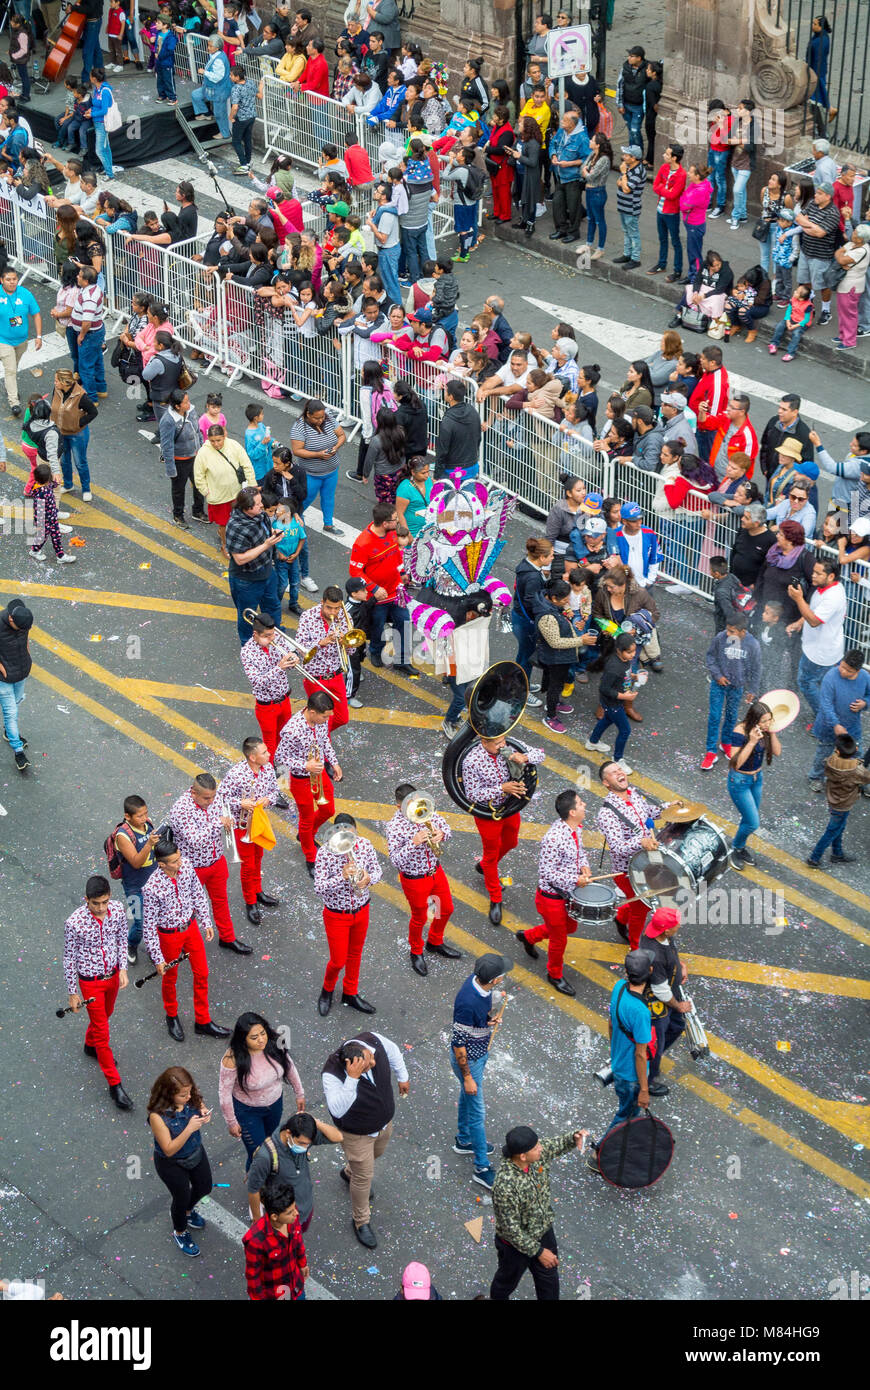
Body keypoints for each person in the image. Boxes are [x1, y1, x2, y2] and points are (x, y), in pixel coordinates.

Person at [322, 1029, 409, 1249]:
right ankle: (361, 1221)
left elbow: (394, 1052)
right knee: (364, 1177)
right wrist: (352, 1079)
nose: (371, 1065)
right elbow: (337, 1110)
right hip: (356, 1134)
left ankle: (349, 1171)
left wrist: (403, 1077)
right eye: (364, 1067)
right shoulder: (332, 1074)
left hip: (383, 1124)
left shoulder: (372, 1043)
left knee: (376, 1153)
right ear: (349, 1064)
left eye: (370, 1061)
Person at [141, 841, 229, 1044]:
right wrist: (157, 958)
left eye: (179, 857)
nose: (180, 863)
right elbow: (149, 925)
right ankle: (171, 1015)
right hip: (169, 935)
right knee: (170, 977)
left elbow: (198, 893)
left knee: (202, 973)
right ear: (161, 865)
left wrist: (206, 920)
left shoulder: (187, 866)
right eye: (174, 861)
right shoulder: (152, 888)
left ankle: (203, 1020)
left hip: (190, 928)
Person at [490, 1124, 589, 1301]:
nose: (541, 1148)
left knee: (549, 1279)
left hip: (543, 1230)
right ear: (522, 1156)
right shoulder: (505, 1184)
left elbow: (554, 1144)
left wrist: (573, 1137)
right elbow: (510, 1229)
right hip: (514, 1246)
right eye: (536, 1148)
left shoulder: (535, 1156)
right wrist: (538, 1252)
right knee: (506, 1282)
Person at [462, 723, 545, 925]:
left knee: (511, 842)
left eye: (503, 741)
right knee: (491, 854)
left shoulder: (509, 746)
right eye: (497, 744)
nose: (503, 746)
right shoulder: (471, 761)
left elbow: (540, 754)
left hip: (509, 807)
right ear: (484, 742)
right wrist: (502, 788)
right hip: (487, 813)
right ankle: (495, 897)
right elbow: (472, 794)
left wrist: (524, 757)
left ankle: (484, 866)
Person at [63, 875, 132, 1111]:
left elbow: (122, 939)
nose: (101, 908)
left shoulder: (118, 910)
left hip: (112, 976)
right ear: (86, 900)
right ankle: (115, 1085)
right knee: (103, 1031)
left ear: (109, 897)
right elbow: (69, 959)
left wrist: (122, 967)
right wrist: (73, 992)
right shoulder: (74, 923)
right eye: (95, 904)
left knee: (107, 1014)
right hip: (90, 983)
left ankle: (89, 1045)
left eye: (104, 902)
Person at [515, 789, 591, 996]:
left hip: (568, 894)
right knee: (559, 939)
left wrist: (584, 866)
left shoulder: (576, 829)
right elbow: (546, 873)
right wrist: (576, 878)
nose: (584, 805)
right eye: (581, 803)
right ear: (572, 812)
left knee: (569, 928)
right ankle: (554, 974)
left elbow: (580, 852)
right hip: (552, 899)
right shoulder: (553, 839)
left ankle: (529, 937)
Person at [169, 773, 250, 957]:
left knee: (221, 901)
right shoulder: (181, 810)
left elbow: (225, 812)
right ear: (193, 793)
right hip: (192, 868)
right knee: (187, 907)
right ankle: (183, 942)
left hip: (216, 861)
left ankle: (227, 938)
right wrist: (218, 823)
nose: (212, 801)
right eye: (206, 798)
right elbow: (194, 840)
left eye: (213, 796)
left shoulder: (215, 800)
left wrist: (230, 821)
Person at [450, 951, 511, 1191]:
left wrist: (487, 1021)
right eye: (502, 975)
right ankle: (481, 1168)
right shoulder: (468, 1002)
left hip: (478, 1054)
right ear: (494, 979)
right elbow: (458, 1043)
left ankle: (464, 1140)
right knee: (478, 1113)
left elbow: (475, 1021)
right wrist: (467, 1077)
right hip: (470, 1061)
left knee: (468, 1098)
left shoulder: (477, 984)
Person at [387, 781, 460, 975]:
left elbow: (448, 831)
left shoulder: (427, 811)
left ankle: (434, 942)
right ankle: (416, 950)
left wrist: (441, 834)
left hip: (435, 872)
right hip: (415, 879)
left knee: (445, 909)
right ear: (398, 806)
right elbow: (395, 860)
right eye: (409, 806)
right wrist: (413, 842)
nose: (415, 809)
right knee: (419, 917)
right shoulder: (395, 827)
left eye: (416, 803)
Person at [586, 951, 652, 1166]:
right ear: (650, 972)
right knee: (626, 1113)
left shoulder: (619, 988)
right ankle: (600, 1152)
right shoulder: (641, 1011)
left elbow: (612, 1023)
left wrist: (615, 1053)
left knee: (627, 1109)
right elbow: (640, 1054)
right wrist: (644, 1089)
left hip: (618, 1063)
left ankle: (621, 1140)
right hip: (631, 1075)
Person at [314, 811, 381, 1016]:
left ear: (356, 832)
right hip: (337, 914)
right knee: (338, 960)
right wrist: (342, 877)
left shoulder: (366, 845)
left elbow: (378, 871)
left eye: (350, 835)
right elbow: (319, 887)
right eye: (342, 836)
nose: (347, 841)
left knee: (355, 954)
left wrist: (369, 879)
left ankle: (350, 992)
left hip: (362, 909)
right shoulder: (325, 853)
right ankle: (327, 990)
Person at [220, 1013, 304, 1171]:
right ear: (243, 1039)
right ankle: (256, 1186)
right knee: (258, 1154)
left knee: (272, 1143)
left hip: (275, 1105)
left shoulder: (275, 1043)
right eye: (254, 1037)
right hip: (247, 1111)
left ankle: (269, 1179)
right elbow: (224, 1093)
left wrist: (299, 1093)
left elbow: (289, 1066)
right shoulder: (232, 1058)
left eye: (263, 1033)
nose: (261, 1040)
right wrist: (231, 1122)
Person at [596, 760, 664, 947]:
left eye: (619, 769)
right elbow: (617, 847)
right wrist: (640, 841)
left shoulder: (632, 793)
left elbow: (648, 812)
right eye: (612, 772)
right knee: (641, 908)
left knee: (637, 903)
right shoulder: (606, 814)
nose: (619, 772)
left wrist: (667, 809)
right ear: (606, 783)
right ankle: (636, 947)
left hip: (646, 862)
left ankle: (620, 918)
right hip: (627, 871)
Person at [147, 1066, 213, 1258]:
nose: (188, 1096)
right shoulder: (157, 1116)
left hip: (195, 1151)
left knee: (204, 1186)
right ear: (169, 1094)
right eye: (183, 1094)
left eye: (189, 1091)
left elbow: (199, 1103)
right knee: (181, 1197)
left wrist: (203, 1111)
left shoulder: (191, 1097)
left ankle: (187, 1211)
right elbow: (168, 1149)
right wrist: (190, 1128)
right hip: (172, 1163)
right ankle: (180, 1231)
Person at [276, 690, 343, 876]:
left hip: (319, 775)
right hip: (300, 780)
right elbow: (280, 757)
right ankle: (310, 856)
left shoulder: (321, 720)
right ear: (312, 712)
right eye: (324, 716)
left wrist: (334, 763)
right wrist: (305, 765)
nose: (327, 720)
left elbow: (324, 743)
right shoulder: (292, 730)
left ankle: (305, 835)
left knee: (328, 810)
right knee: (305, 819)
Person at [219, 736, 281, 926]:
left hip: (259, 822)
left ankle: (258, 890)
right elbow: (220, 797)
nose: (269, 754)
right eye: (264, 752)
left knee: (258, 857)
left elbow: (275, 791)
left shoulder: (268, 768)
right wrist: (241, 802)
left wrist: (267, 800)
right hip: (242, 826)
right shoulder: (236, 774)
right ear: (252, 757)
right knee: (248, 865)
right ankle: (250, 901)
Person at [349, 501, 415, 673]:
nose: (398, 522)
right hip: (377, 597)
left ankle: (402, 660)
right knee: (377, 627)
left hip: (396, 591)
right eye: (395, 520)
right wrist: (375, 588)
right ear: (385, 523)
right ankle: (376, 651)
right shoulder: (363, 543)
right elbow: (355, 571)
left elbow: (396, 556)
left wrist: (402, 573)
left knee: (404, 623)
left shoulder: (392, 533)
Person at [247, 1109, 342, 1226]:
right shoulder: (265, 1157)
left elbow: (338, 1137)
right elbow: (253, 1189)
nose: (305, 1147)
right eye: (302, 1143)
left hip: (304, 1209)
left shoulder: (304, 1136)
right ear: (288, 1133)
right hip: (284, 1219)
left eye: (308, 1144)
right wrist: (258, 1222)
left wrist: (315, 1122)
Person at [789, 555, 847, 717]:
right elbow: (814, 611)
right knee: (824, 684)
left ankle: (824, 717)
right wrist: (801, 621)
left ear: (831, 576)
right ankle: (830, 713)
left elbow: (814, 621)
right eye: (813, 572)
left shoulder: (833, 596)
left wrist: (799, 599)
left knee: (806, 682)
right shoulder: (826, 588)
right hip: (823, 648)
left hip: (819, 652)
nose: (813, 575)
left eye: (818, 573)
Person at [224, 487, 283, 644]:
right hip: (247, 580)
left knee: (273, 607)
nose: (262, 506)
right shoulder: (236, 526)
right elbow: (240, 559)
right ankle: (247, 645)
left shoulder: (260, 514)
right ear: (247, 507)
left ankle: (274, 636)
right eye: (258, 504)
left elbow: (266, 529)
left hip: (267, 571)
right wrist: (266, 545)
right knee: (247, 617)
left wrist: (273, 532)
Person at [701, 615, 761, 770]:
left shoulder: (753, 645)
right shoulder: (720, 638)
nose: (727, 633)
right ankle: (710, 751)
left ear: (742, 631)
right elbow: (710, 657)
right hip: (719, 685)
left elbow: (756, 669)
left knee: (731, 715)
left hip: (737, 687)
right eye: (727, 629)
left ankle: (726, 742)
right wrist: (717, 675)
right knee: (714, 717)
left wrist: (752, 689)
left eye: (731, 631)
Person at [728, 699, 782, 867]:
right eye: (764, 721)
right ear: (754, 719)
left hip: (757, 779)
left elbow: (777, 752)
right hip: (740, 781)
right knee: (752, 822)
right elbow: (735, 763)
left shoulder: (765, 730)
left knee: (748, 818)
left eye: (769, 720)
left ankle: (739, 846)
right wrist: (751, 742)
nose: (767, 724)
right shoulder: (740, 731)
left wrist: (772, 733)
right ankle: (735, 847)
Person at [808, 650, 870, 790]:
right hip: (827, 726)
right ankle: (815, 777)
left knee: (856, 754)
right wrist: (835, 724)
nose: (842, 671)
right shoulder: (830, 677)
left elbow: (869, 695)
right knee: (823, 753)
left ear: (857, 670)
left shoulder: (865, 677)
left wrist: (865, 703)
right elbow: (825, 704)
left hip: (852, 726)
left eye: (848, 670)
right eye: (842, 666)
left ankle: (857, 777)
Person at [807, 733, 870, 868]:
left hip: (833, 799)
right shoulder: (856, 770)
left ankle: (837, 853)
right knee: (832, 830)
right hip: (845, 803)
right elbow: (866, 778)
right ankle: (814, 858)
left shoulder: (831, 760)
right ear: (856, 750)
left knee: (839, 827)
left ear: (837, 750)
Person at [240, 612, 295, 762]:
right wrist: (280, 667)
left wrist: (293, 660)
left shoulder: (277, 638)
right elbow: (257, 681)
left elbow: (289, 660)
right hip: (266, 706)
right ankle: (270, 772)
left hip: (284, 699)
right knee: (269, 744)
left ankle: (284, 767)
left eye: (272, 634)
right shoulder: (247, 652)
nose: (272, 639)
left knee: (285, 738)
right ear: (255, 634)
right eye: (267, 636)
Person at [296, 585, 352, 730]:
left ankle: (313, 736)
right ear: (322, 602)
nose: (333, 612)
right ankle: (320, 743)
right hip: (315, 677)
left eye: (337, 608)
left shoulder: (345, 617)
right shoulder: (308, 617)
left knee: (342, 718)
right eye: (329, 608)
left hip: (336, 674)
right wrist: (321, 643)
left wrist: (344, 642)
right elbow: (301, 649)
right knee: (322, 723)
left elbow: (352, 650)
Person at [243, 1175, 308, 1300]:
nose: (296, 1213)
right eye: (289, 1212)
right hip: (274, 1294)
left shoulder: (292, 1218)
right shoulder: (255, 1240)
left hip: (295, 1286)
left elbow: (298, 1242)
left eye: (294, 1207)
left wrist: (303, 1263)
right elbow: (253, 1277)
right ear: (274, 1217)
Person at [290, 398, 346, 535]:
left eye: (322, 416)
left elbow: (342, 435)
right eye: (317, 418)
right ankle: (292, 521)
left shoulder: (329, 419)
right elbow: (297, 451)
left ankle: (328, 524)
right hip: (310, 474)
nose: (321, 420)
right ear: (308, 414)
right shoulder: (299, 427)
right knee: (305, 499)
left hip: (331, 471)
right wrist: (318, 454)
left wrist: (335, 447)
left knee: (328, 498)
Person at [113, 795, 158, 966]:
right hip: (135, 887)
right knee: (141, 924)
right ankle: (130, 945)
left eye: (145, 813)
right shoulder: (122, 836)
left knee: (158, 918)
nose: (144, 818)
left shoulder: (147, 824)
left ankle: (155, 949)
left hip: (154, 883)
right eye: (139, 816)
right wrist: (149, 844)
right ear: (127, 816)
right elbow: (136, 863)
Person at [0, 267, 42, 416]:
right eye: (8, 280)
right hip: (2, 340)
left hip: (21, 341)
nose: (12, 282)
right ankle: (14, 403)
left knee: (13, 367)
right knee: (10, 369)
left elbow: (36, 314)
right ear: (1, 280)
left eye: (14, 279)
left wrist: (39, 336)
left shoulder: (25, 294)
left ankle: (10, 387)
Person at [51, 368, 97, 502]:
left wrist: (78, 423)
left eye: (56, 381)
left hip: (77, 434)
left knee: (80, 462)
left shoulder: (81, 396)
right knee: (64, 460)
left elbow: (93, 412)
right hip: (61, 432)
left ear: (65, 383)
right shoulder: (58, 390)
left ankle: (86, 489)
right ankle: (68, 484)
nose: (54, 383)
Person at [548, 110, 589, 245]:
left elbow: (587, 158)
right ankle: (561, 229)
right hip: (560, 175)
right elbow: (553, 144)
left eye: (564, 120)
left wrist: (569, 163)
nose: (561, 122)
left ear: (572, 123)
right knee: (557, 203)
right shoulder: (562, 131)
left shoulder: (582, 138)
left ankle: (573, 232)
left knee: (573, 207)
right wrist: (553, 155)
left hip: (573, 178)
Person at [832, 223, 870, 352]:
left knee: (849, 314)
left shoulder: (861, 250)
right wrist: (841, 256)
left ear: (860, 239)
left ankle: (849, 341)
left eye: (855, 233)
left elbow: (841, 259)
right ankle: (843, 335)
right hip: (845, 284)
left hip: (851, 286)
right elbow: (838, 253)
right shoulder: (852, 244)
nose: (852, 233)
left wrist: (841, 258)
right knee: (843, 312)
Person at [434, 378, 481, 481]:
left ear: (450, 397)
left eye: (445, 391)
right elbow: (478, 438)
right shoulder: (472, 411)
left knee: (447, 497)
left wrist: (437, 475)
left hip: (452, 471)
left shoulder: (447, 421)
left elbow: (442, 451)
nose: (443, 393)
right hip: (472, 466)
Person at [191, 34, 232, 138]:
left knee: (219, 113)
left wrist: (204, 72)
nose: (208, 48)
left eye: (210, 46)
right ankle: (206, 113)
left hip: (219, 90)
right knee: (196, 95)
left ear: (217, 47)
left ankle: (224, 133)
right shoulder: (217, 55)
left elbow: (218, 77)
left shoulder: (218, 60)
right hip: (210, 87)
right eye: (208, 45)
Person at [613, 143, 645, 269]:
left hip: (631, 207)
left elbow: (626, 189)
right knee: (626, 231)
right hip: (623, 206)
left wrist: (623, 175)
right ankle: (627, 254)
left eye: (626, 155)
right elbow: (618, 183)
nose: (624, 157)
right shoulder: (628, 168)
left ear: (634, 158)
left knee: (633, 233)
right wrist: (623, 178)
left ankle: (635, 258)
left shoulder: (637, 171)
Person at [616, 44, 647, 146]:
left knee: (635, 130)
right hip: (626, 104)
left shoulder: (647, 69)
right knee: (631, 130)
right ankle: (632, 150)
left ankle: (637, 152)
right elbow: (620, 85)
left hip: (638, 106)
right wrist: (619, 104)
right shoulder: (625, 68)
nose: (628, 58)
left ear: (639, 58)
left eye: (631, 56)